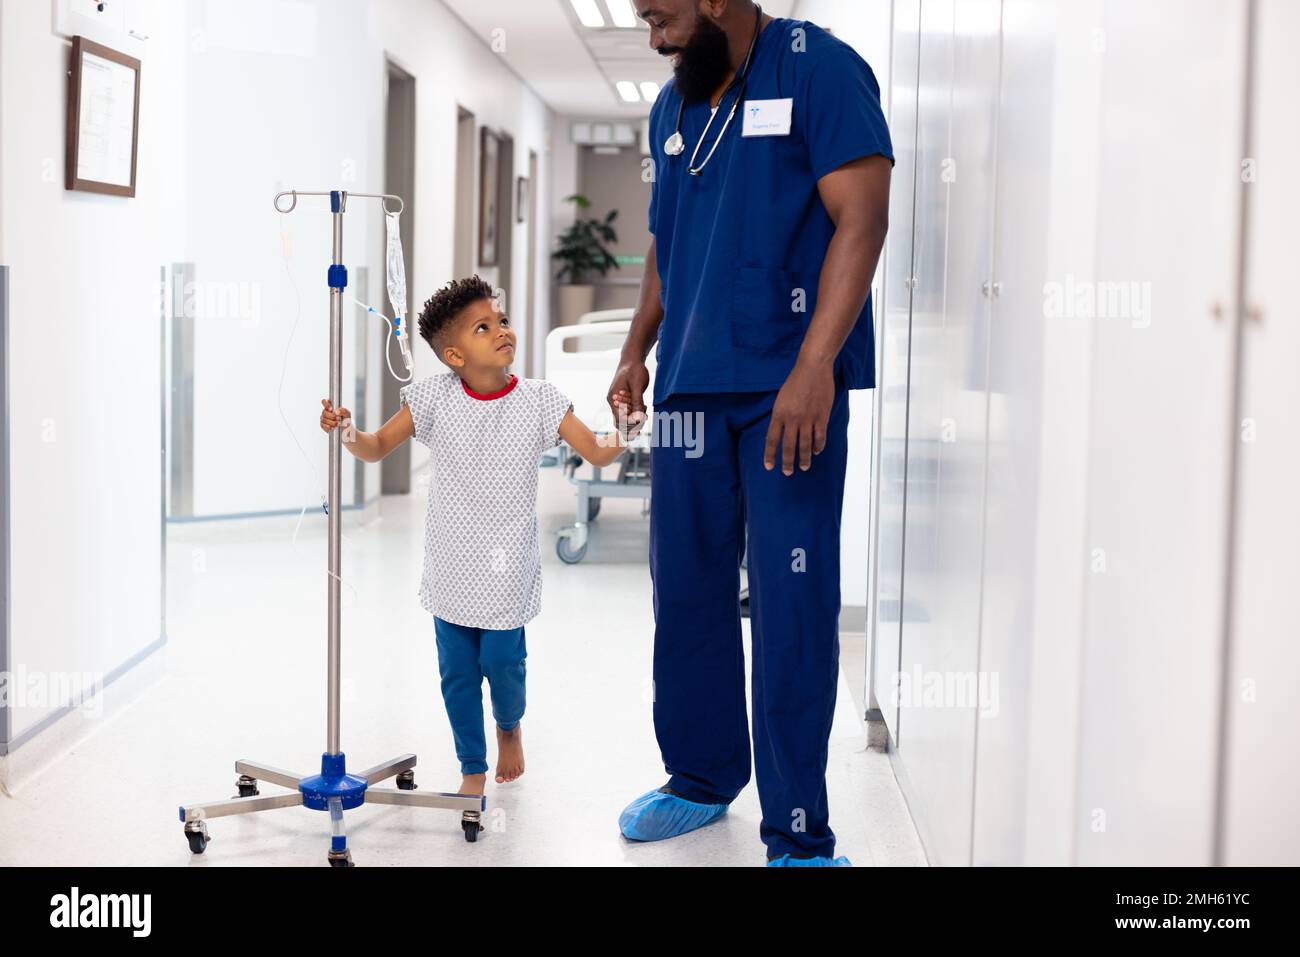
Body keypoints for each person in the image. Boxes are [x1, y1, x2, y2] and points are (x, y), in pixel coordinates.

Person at [612, 0, 893, 866]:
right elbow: (667, 240)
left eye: (659, 15)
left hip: (786, 387)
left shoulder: (818, 67)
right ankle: (700, 776)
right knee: (686, 591)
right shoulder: (675, 104)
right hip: (694, 387)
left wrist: (815, 366)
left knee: (790, 601)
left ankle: (799, 831)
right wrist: (636, 348)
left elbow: (863, 215)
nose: (652, 35)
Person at [319, 276, 640, 823]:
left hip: (506, 567)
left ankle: (509, 726)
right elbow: (374, 449)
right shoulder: (433, 399)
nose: (502, 332)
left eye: (503, 321)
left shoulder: (539, 400)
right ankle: (472, 764)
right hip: (450, 567)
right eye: (483, 327)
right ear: (453, 355)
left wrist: (625, 427)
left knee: (502, 663)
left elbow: (598, 453)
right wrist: (347, 431)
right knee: (458, 674)